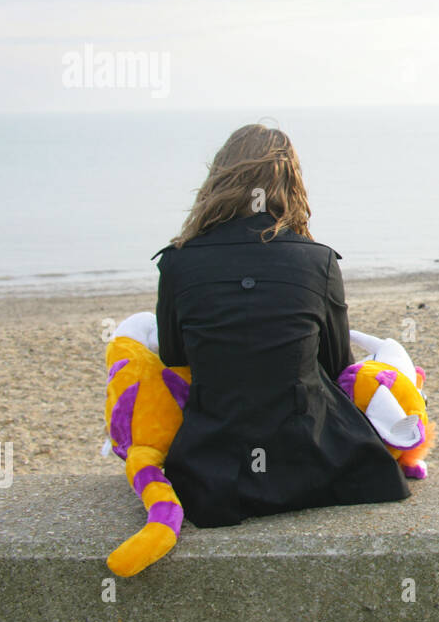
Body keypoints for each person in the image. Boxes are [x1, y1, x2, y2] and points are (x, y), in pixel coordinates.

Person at [153, 123, 409, 527]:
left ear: (219, 178)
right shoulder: (318, 261)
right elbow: (337, 363)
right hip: (314, 459)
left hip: (213, 471)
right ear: (291, 183)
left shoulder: (177, 262)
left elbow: (173, 355)